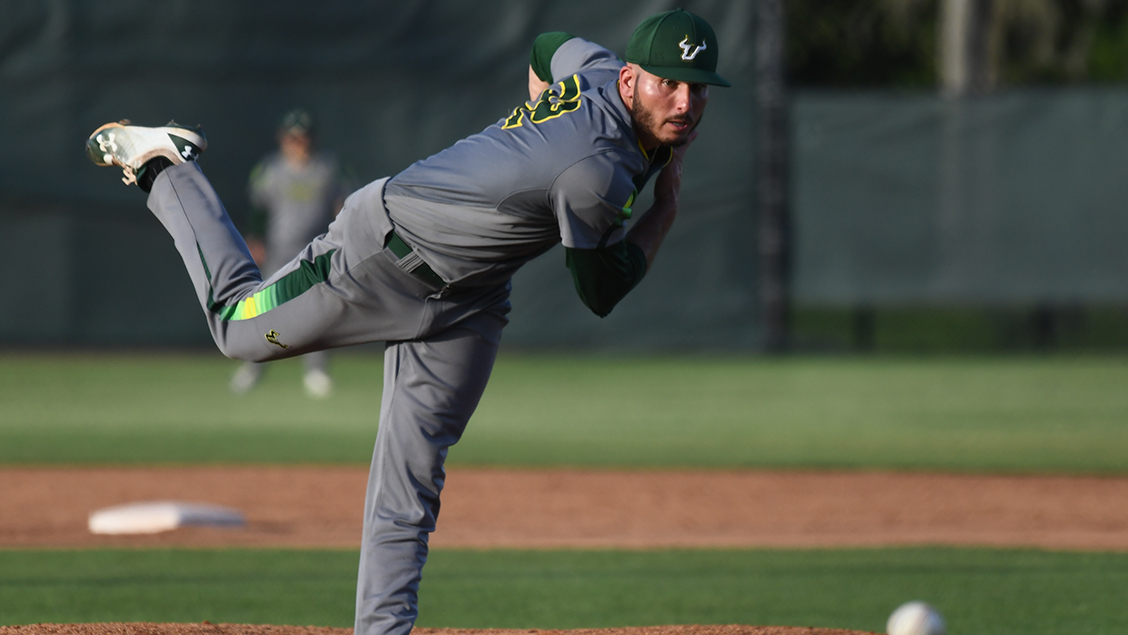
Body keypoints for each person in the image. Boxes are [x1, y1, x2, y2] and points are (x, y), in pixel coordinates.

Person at [84, 9, 729, 635]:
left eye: (696, 88)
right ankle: (167, 167)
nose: (682, 101)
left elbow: (548, 46)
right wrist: (665, 210)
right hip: (382, 253)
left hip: (471, 297)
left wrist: (533, 130)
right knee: (236, 330)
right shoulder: (594, 169)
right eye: (665, 80)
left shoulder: (594, 66)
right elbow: (601, 289)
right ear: (629, 78)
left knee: (413, 476)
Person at [229, 109, 353, 397]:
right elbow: (259, 208)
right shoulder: (270, 168)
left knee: (319, 311)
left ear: (311, 139)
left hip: (316, 250)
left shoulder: (328, 167)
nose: (297, 143)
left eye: (302, 138)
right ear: (282, 139)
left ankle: (316, 369)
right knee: (266, 310)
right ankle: (254, 364)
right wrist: (255, 238)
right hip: (279, 250)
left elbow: (344, 203)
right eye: (292, 138)